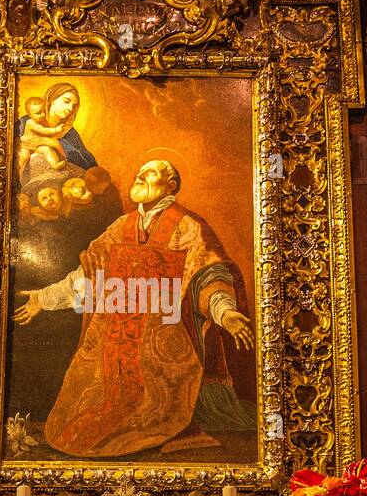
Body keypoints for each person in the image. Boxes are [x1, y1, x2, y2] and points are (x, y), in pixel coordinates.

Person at [13, 158, 255, 456]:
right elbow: (88, 274)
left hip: (164, 335)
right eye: (139, 173)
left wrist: (224, 312)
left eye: (149, 174)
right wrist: (44, 298)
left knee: (143, 402)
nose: (139, 177)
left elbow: (208, 275)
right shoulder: (120, 226)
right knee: (80, 410)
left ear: (171, 186)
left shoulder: (188, 227)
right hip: (113, 335)